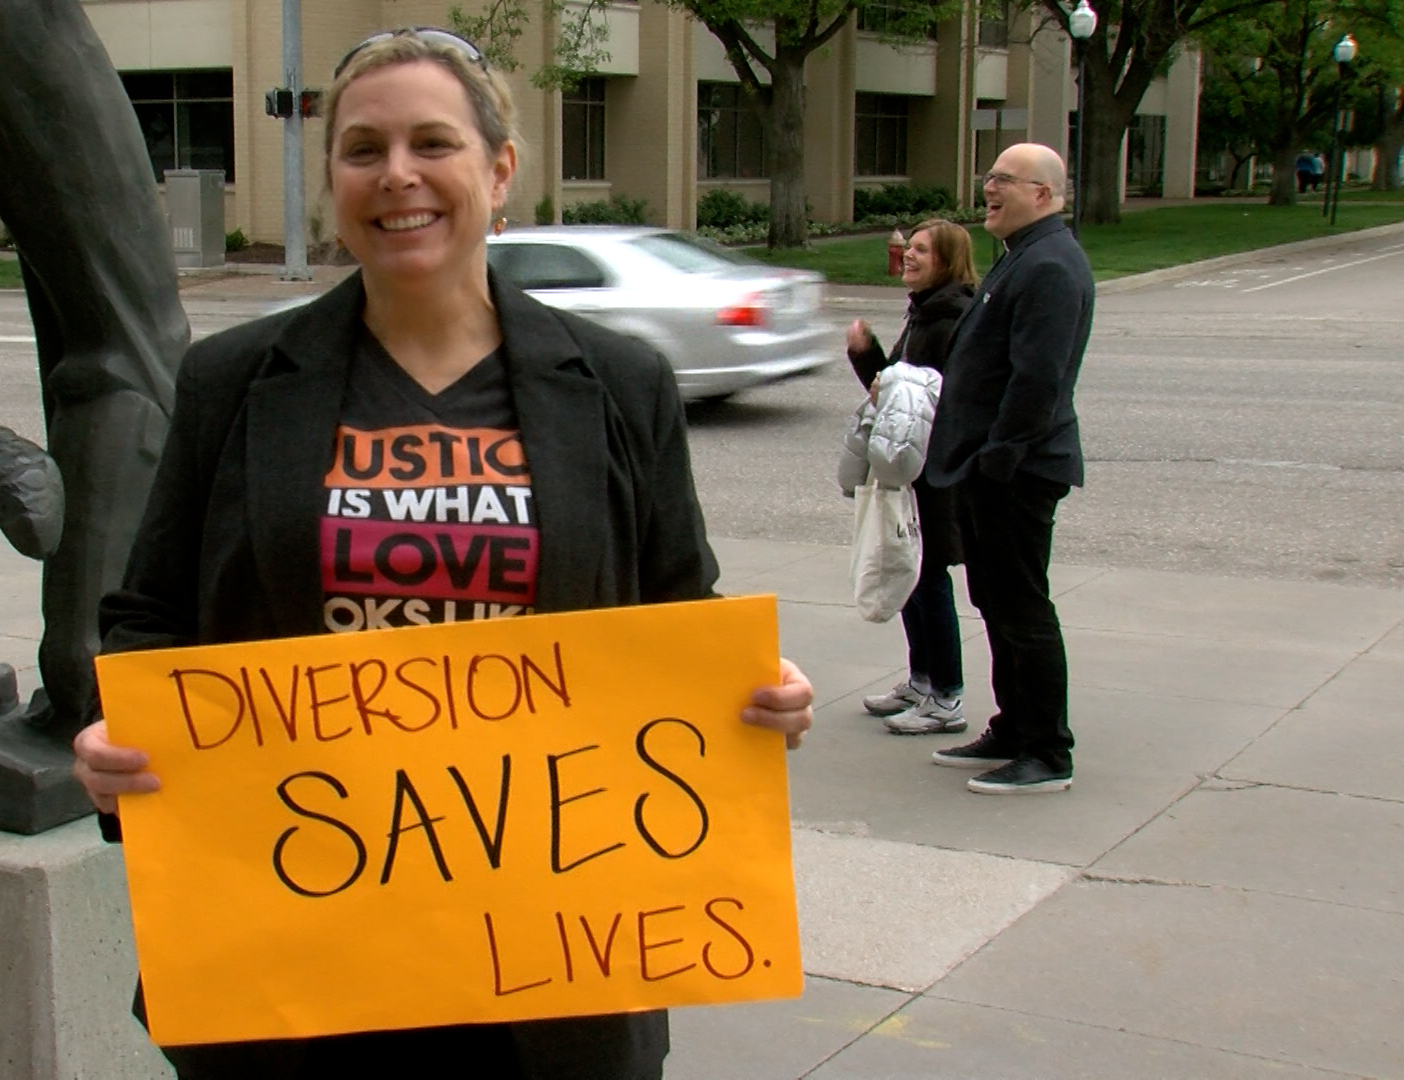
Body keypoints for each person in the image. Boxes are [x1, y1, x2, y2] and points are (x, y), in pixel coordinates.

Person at [69, 27, 816, 1079]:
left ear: (499, 169)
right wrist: (115, 740)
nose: (397, 176)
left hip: (552, 964)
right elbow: (148, 616)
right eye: (362, 149)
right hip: (298, 953)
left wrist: (757, 700)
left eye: (433, 143)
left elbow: (679, 620)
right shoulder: (232, 381)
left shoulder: (617, 384)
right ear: (331, 177)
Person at [924, 142, 1092, 795]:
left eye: (1003, 180)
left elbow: (1037, 383)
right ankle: (1014, 726)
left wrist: (995, 461)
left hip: (1016, 472)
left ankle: (1047, 750)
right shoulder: (1021, 256)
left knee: (1022, 606)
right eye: (989, 176)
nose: (988, 188)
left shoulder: (1049, 266)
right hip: (988, 467)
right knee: (994, 601)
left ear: (1043, 194)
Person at [843, 218, 978, 735]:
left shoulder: (949, 319)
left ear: (945, 260)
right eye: (909, 248)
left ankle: (947, 697)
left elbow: (929, 401)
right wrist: (865, 354)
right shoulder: (925, 312)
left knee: (927, 575)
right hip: (910, 466)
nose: (909, 256)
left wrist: (875, 369)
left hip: (934, 470)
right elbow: (892, 391)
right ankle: (922, 680)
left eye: (922, 250)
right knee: (911, 574)